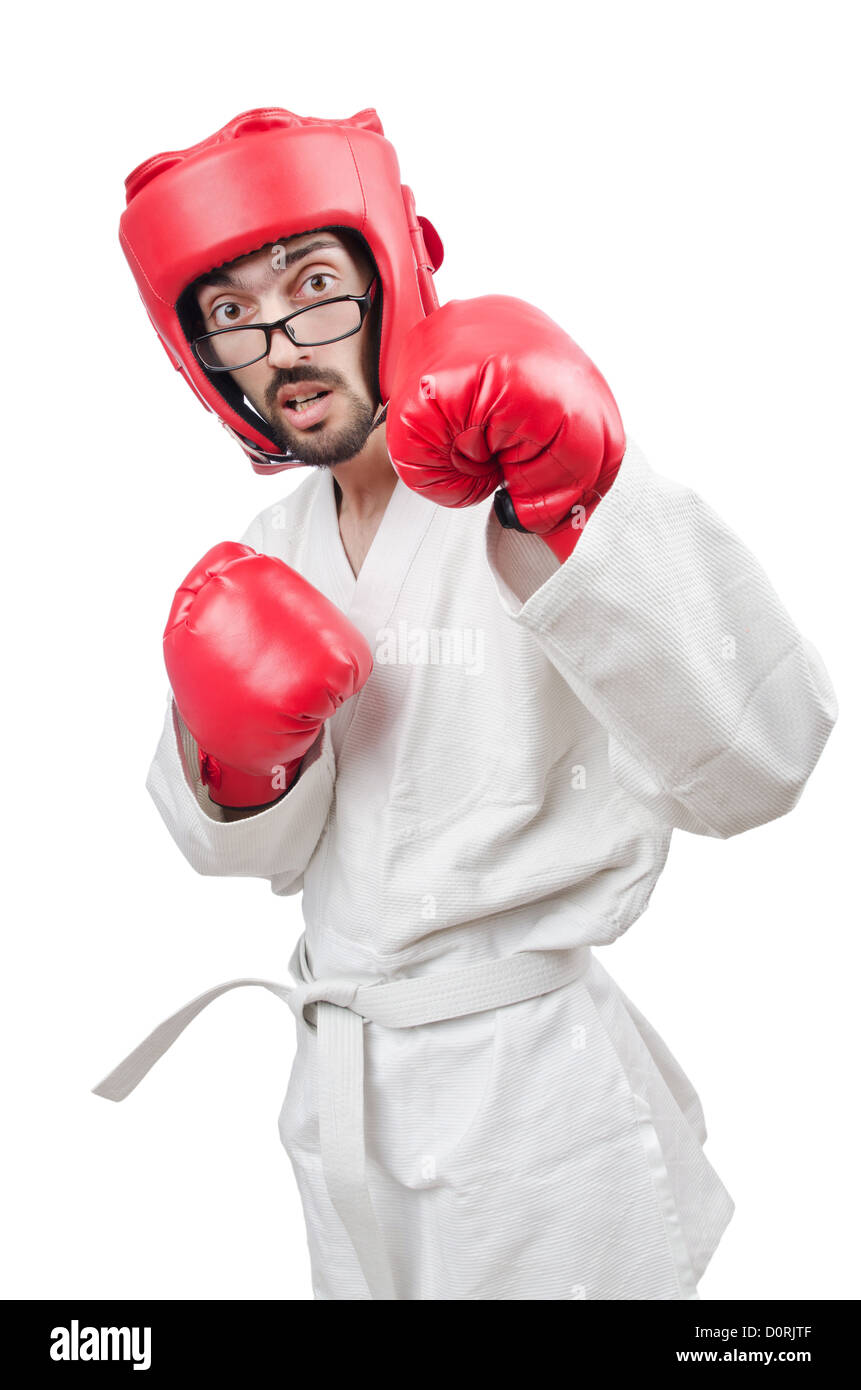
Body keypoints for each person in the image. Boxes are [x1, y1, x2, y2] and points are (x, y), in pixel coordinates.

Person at [93, 106, 838, 1301]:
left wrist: (585, 503)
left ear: (400, 271)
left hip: (535, 1115)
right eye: (229, 317)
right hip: (347, 1104)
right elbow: (247, 857)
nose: (281, 345)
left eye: (315, 286)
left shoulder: (532, 473)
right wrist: (232, 766)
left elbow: (767, 759)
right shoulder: (269, 550)